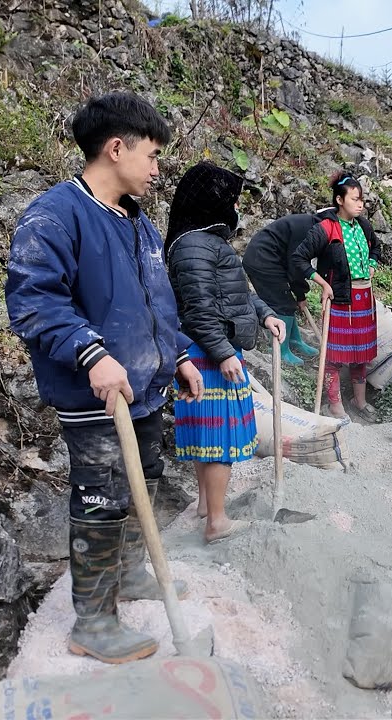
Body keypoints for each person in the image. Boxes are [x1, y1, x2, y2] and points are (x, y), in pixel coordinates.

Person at [5, 92, 204, 664]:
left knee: (144, 478)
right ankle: (92, 621)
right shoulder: (55, 215)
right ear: (117, 148)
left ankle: (130, 572)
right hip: (97, 395)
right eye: (153, 155)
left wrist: (181, 355)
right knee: (102, 497)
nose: (157, 168)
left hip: (143, 390)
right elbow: (34, 302)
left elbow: (156, 304)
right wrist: (90, 354)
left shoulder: (137, 222)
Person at [164, 162, 285, 544]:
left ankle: (205, 503)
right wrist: (223, 354)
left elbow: (235, 294)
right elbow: (198, 308)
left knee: (207, 434)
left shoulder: (205, 242)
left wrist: (265, 314)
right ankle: (217, 521)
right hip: (207, 354)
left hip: (211, 349)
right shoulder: (193, 246)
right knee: (220, 440)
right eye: (232, 200)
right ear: (211, 202)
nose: (236, 207)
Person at [293, 171, 380, 419]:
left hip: (365, 301)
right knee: (334, 356)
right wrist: (323, 284)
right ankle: (335, 405)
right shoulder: (326, 228)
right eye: (354, 199)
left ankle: (360, 401)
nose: (360, 204)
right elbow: (299, 258)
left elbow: (376, 247)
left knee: (361, 354)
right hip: (340, 300)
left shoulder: (363, 225)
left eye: (361, 199)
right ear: (340, 200)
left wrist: (372, 264)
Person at [242, 212, 327, 367]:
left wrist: (299, 295)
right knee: (282, 302)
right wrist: (301, 295)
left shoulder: (313, 226)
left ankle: (294, 340)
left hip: (272, 259)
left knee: (287, 300)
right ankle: (280, 349)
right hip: (262, 260)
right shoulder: (309, 231)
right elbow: (296, 265)